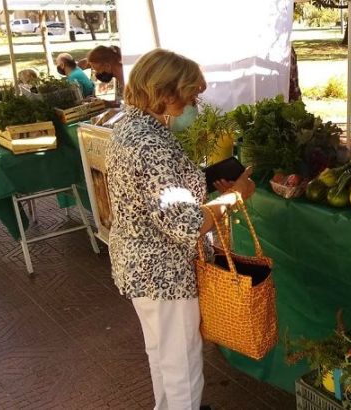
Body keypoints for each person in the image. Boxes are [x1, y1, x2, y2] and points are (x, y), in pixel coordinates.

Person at [106, 48, 255, 410]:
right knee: (183, 366)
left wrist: (204, 184)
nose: (194, 104)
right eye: (190, 95)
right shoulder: (150, 144)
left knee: (163, 355)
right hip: (164, 272)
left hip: (141, 265)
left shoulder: (130, 127)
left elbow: (159, 193)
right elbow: (188, 225)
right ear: (164, 92)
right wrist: (235, 195)